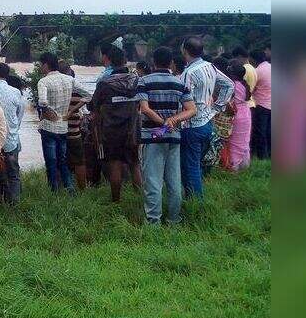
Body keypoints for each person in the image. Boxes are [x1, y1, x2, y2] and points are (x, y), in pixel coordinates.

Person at [136, 47, 196, 224]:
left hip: (152, 136)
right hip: (173, 136)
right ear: (171, 63)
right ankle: (174, 220)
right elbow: (192, 110)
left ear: (153, 61)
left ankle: (153, 222)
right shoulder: (179, 83)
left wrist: (163, 122)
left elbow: (144, 109)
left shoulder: (144, 81)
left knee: (153, 182)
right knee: (174, 181)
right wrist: (173, 120)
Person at [179, 36, 233, 198]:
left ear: (185, 51)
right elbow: (229, 84)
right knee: (195, 165)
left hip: (191, 125)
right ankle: (193, 199)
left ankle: (196, 202)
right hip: (207, 122)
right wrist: (217, 107)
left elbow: (183, 100)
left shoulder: (188, 73)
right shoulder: (210, 67)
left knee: (190, 167)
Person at [90, 48, 141, 203]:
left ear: (109, 61)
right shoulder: (136, 80)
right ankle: (140, 199)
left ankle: (116, 202)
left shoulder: (105, 84)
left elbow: (93, 106)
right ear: (125, 61)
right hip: (133, 128)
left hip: (112, 130)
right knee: (135, 164)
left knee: (115, 165)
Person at [36, 52, 75, 191]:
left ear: (46, 64)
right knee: (63, 161)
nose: (41, 67)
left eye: (41, 65)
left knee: (51, 162)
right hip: (63, 126)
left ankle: (54, 191)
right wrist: (71, 112)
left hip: (49, 127)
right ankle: (69, 189)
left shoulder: (43, 81)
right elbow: (87, 96)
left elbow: (42, 101)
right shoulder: (69, 79)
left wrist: (48, 112)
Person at [0, 63, 24, 204]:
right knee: (13, 174)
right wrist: (13, 130)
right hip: (10, 140)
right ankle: (14, 203)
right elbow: (18, 116)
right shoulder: (16, 92)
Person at [61, 65, 93, 189]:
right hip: (74, 131)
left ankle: (63, 188)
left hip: (58, 131)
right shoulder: (78, 91)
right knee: (79, 162)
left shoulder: (55, 89)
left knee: (60, 161)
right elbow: (88, 100)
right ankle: (82, 189)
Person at [224, 61, 252, 171]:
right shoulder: (245, 85)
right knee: (244, 139)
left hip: (235, 113)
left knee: (234, 141)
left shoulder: (232, 85)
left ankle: (234, 165)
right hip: (246, 113)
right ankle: (244, 164)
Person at [250, 48, 272, 160]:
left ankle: (261, 156)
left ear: (253, 60)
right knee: (270, 131)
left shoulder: (257, 71)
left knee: (260, 132)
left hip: (261, 105)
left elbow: (251, 89)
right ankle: (269, 154)